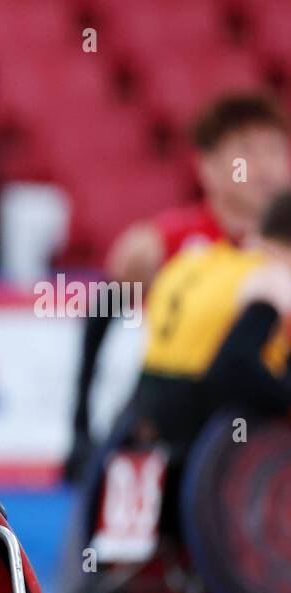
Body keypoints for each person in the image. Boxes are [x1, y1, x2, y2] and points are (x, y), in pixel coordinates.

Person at [65, 92, 290, 481]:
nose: (267, 168)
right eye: (248, 153)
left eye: (276, 152)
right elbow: (99, 321)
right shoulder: (161, 245)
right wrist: (81, 426)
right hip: (180, 431)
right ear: (207, 166)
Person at [114, 188, 291, 536]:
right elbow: (233, 367)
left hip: (144, 431)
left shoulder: (191, 263)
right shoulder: (273, 276)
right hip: (204, 453)